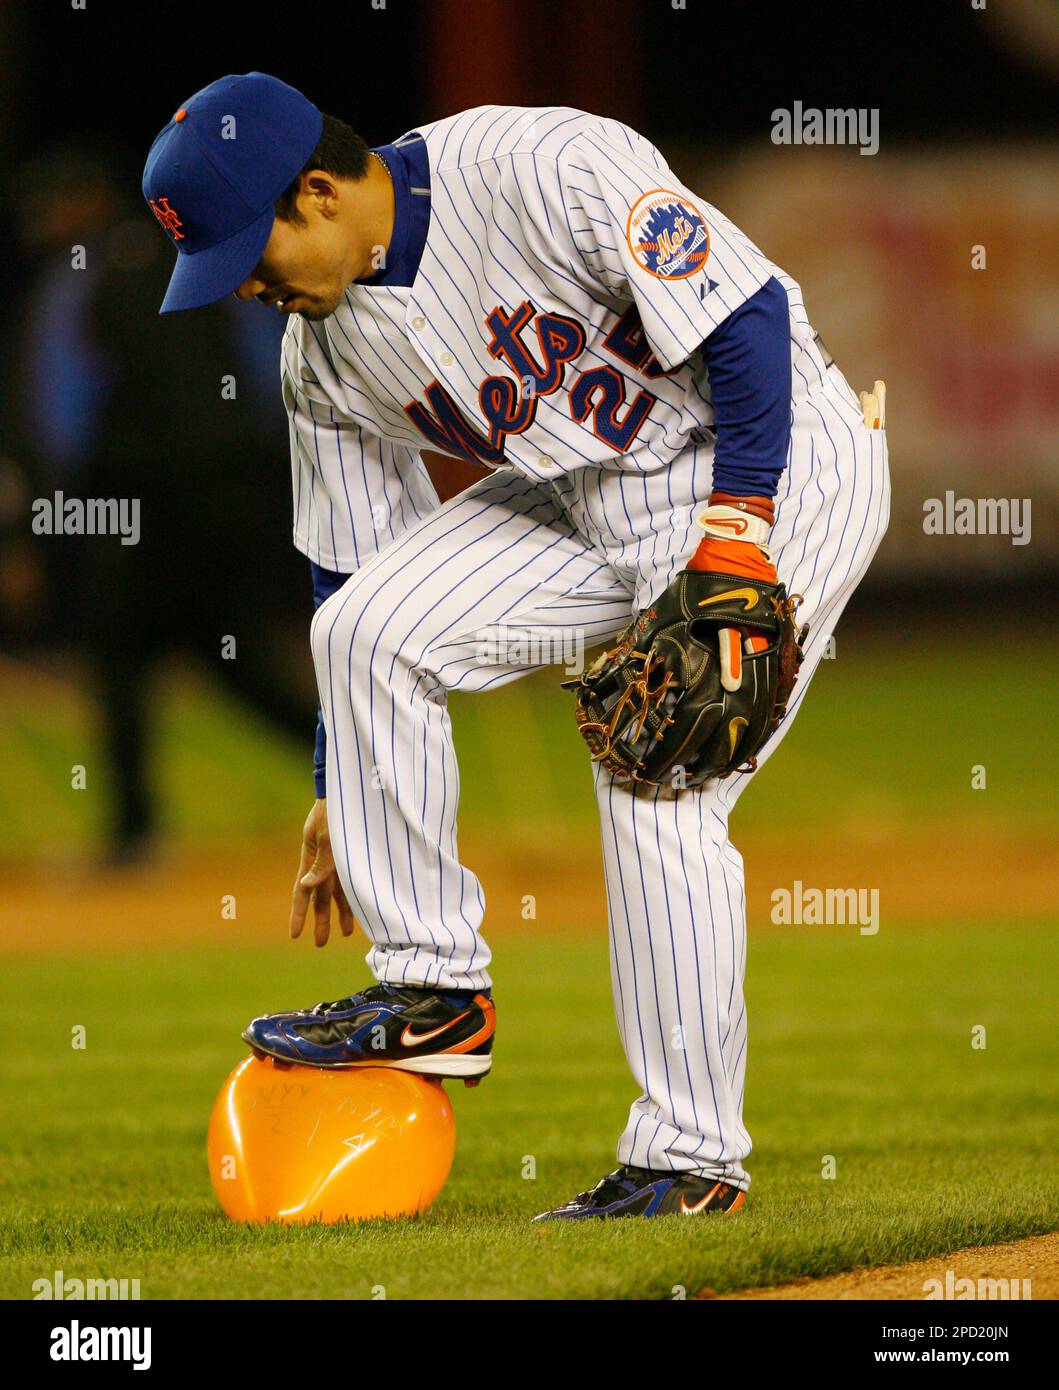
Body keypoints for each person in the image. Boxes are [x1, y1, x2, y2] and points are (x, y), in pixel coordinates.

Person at [143, 72, 889, 1221]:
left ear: (323, 191)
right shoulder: (322, 363)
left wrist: (737, 533)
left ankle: (687, 1160)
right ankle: (435, 989)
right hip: (590, 495)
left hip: (775, 469)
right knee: (361, 626)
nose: (244, 282)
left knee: (656, 778)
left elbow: (745, 321)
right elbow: (353, 571)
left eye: (253, 247)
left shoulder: (540, 168)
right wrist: (349, 787)